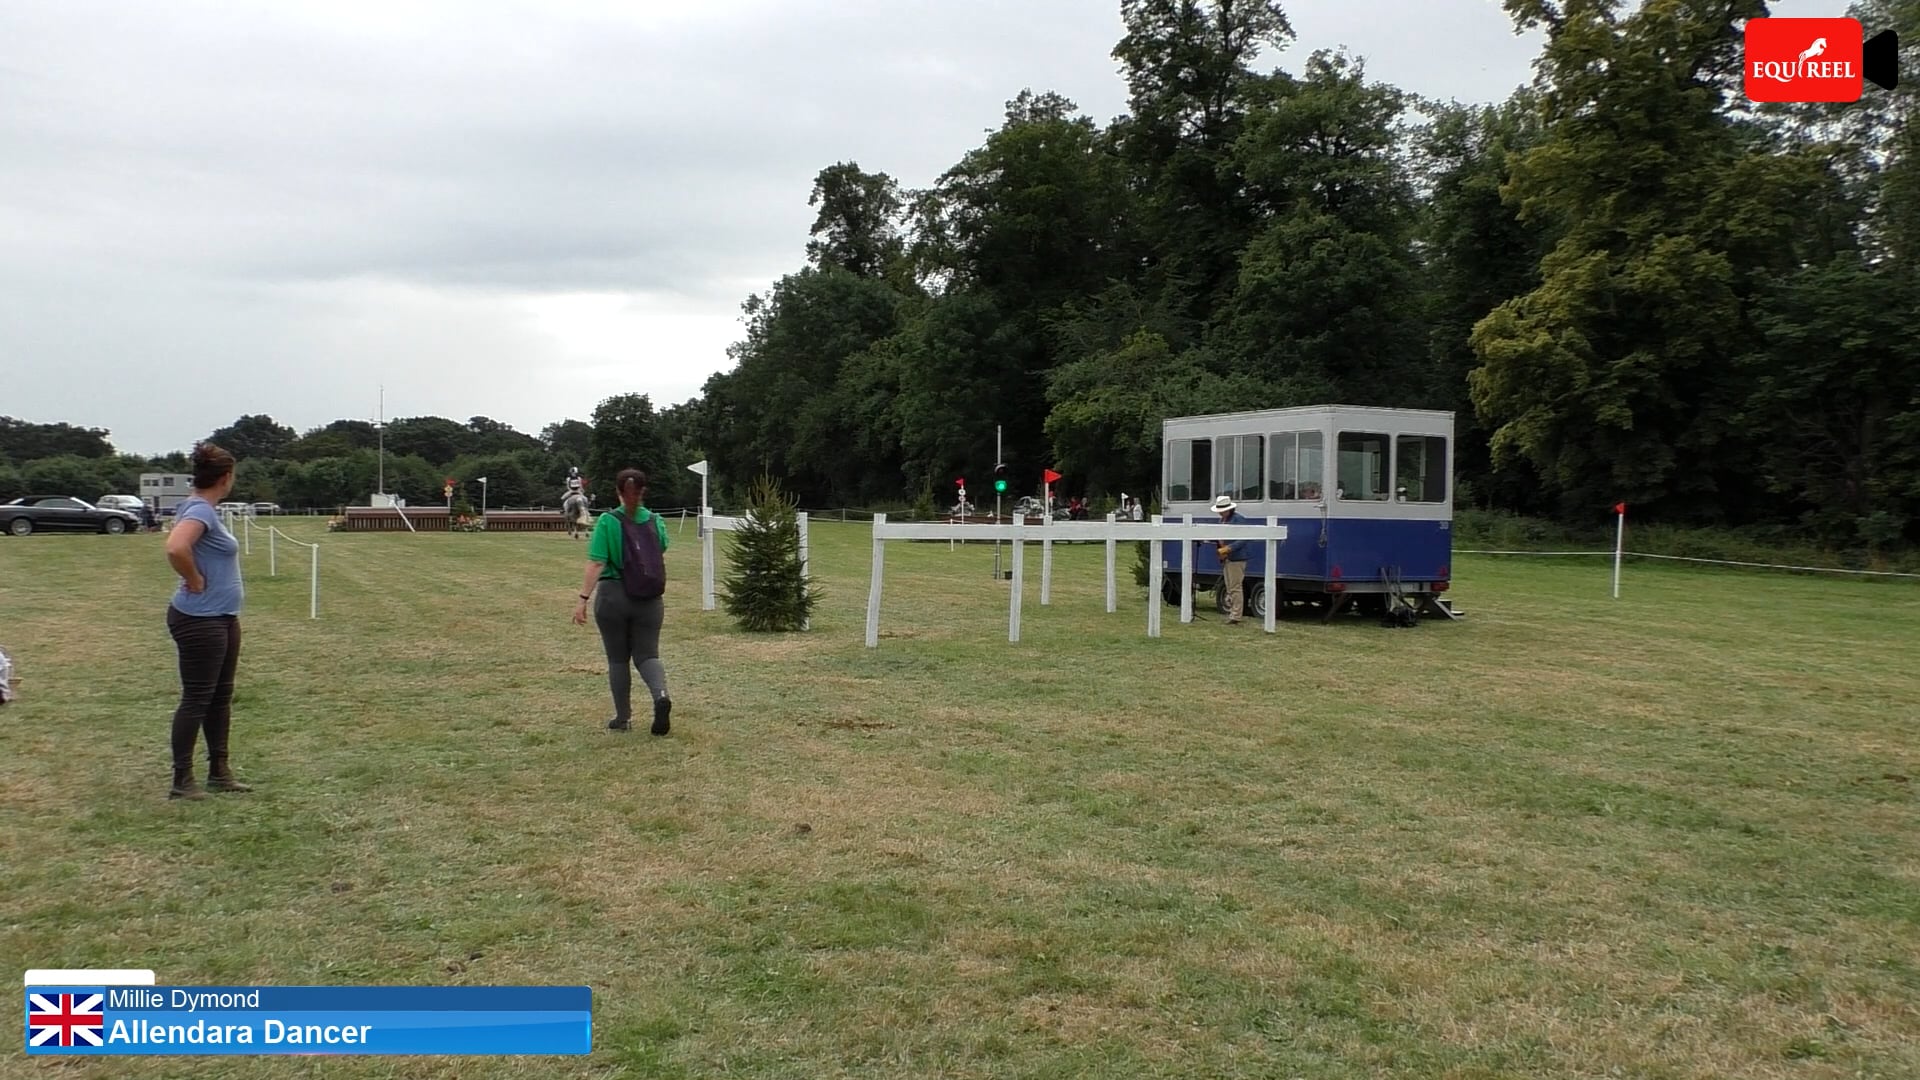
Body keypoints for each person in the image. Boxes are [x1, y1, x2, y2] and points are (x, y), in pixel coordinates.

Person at [163, 442, 251, 799]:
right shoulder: (199, 509)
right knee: (198, 698)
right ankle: (182, 781)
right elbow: (175, 547)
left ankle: (219, 771)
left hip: (222, 618)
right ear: (226, 478)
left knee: (220, 697)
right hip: (201, 620)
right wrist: (196, 580)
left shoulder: (201, 507)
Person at [572, 468, 673, 734]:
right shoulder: (656, 520)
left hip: (613, 596)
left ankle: (623, 718)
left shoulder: (607, 521)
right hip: (650, 598)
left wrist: (582, 599)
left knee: (618, 660)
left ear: (618, 491)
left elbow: (597, 562)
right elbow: (659, 548)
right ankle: (660, 695)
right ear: (642, 492)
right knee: (648, 654)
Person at [1211, 494, 1251, 625]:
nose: (1220, 513)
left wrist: (1229, 548)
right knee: (1229, 586)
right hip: (1227, 558)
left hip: (1236, 558)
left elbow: (1243, 539)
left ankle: (1236, 615)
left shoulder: (1238, 519)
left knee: (1235, 586)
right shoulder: (1222, 520)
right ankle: (1233, 612)